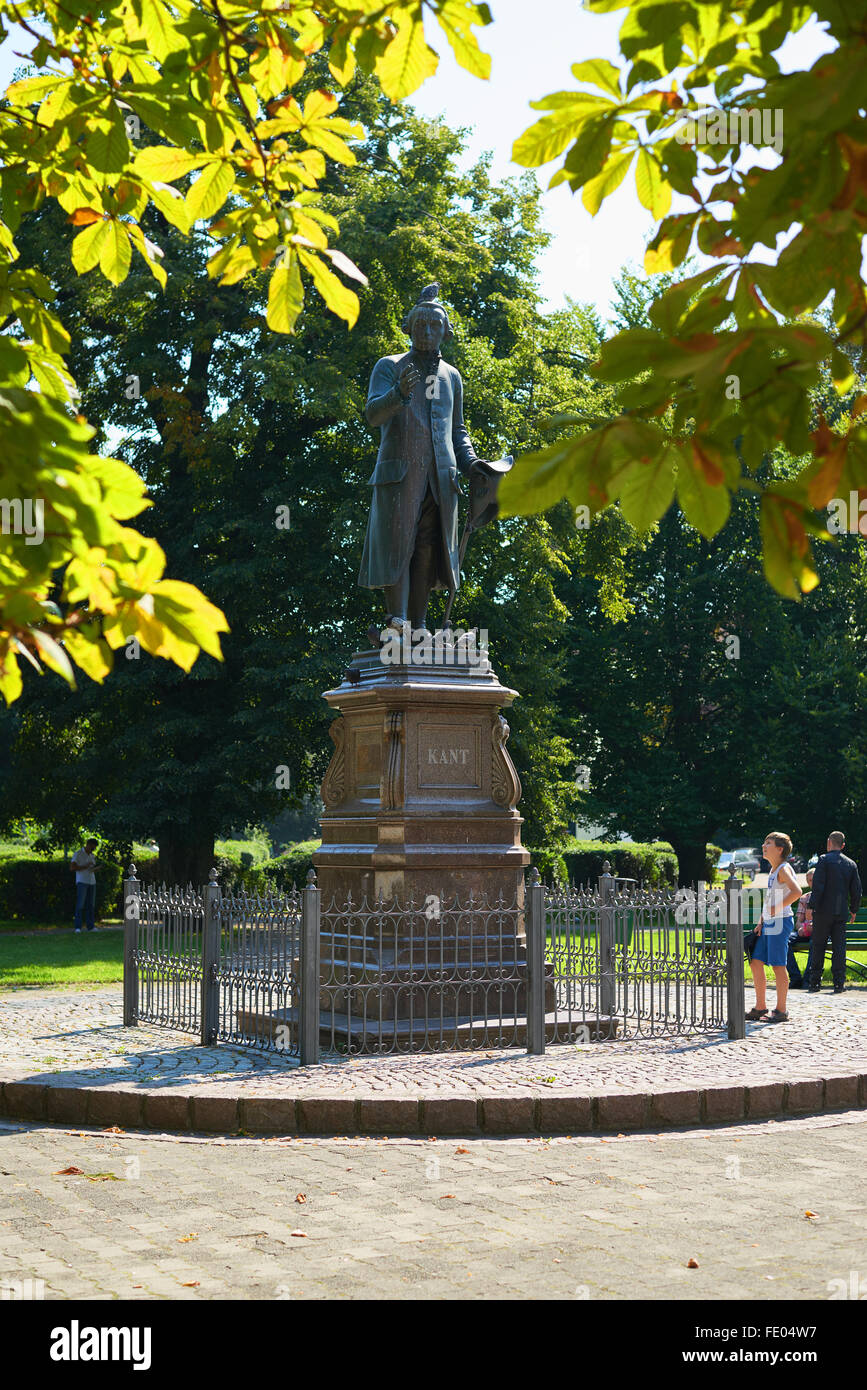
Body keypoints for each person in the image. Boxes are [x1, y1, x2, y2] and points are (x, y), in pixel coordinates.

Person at [746, 831, 802, 1023]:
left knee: (779, 965)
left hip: (781, 921)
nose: (763, 846)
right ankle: (760, 1007)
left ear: (780, 849)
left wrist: (776, 908)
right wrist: (761, 920)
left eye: (768, 843)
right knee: (755, 961)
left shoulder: (784, 869)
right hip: (769, 922)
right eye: (764, 842)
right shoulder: (773, 870)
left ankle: (781, 1010)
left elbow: (797, 891)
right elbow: (770, 899)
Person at [805, 831, 862, 993]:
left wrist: (811, 906)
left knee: (818, 946)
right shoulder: (851, 864)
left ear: (829, 842)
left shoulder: (823, 860)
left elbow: (818, 886)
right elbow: (856, 890)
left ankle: (815, 982)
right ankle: (839, 983)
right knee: (839, 948)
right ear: (843, 845)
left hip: (823, 911)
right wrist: (853, 909)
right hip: (841, 912)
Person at [786, 868, 814, 989]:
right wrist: (800, 929)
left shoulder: (827, 897)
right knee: (784, 941)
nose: (813, 882)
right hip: (804, 932)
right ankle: (796, 978)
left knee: (816, 942)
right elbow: (798, 921)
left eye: (815, 879)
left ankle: (808, 979)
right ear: (808, 882)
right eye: (810, 880)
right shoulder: (804, 898)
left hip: (820, 933)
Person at [70, 838, 99, 933]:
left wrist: (96, 868)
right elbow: (72, 867)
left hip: (92, 882)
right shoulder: (78, 854)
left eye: (94, 848)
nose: (93, 850)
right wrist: (85, 866)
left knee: (91, 905)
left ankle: (90, 927)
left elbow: (91, 869)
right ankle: (78, 927)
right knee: (80, 905)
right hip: (82, 881)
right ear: (88, 844)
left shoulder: (92, 855)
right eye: (92, 847)